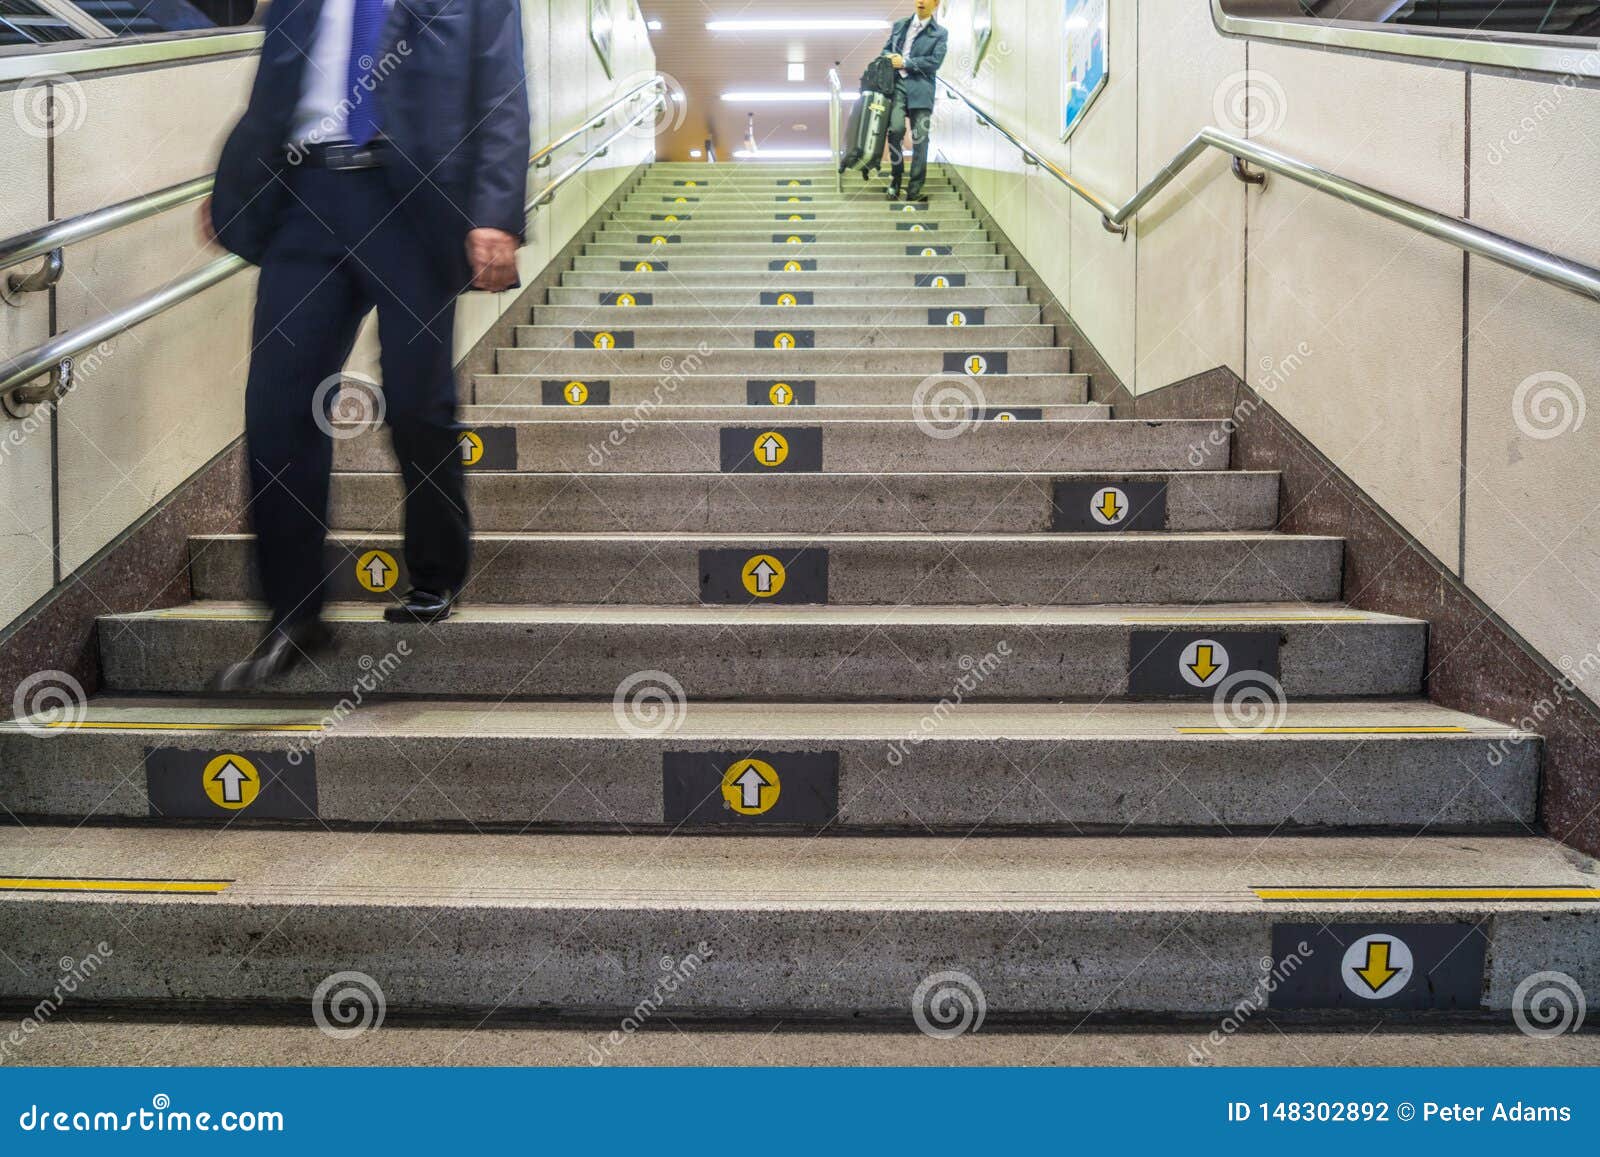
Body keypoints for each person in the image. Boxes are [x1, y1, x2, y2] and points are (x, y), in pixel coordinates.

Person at [203, 0, 531, 690]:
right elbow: (275, 81)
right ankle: (294, 615)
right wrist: (234, 180)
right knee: (276, 407)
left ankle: (436, 571)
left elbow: (501, 90)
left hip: (412, 200)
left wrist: (496, 213)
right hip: (306, 198)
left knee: (417, 401)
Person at [882, 0, 948, 203]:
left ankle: (914, 189)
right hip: (898, 87)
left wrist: (906, 62)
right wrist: (889, 56)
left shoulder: (940, 33)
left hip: (921, 89)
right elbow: (884, 52)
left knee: (920, 140)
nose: (921, 1)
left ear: (935, 4)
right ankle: (896, 179)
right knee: (895, 130)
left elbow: (934, 62)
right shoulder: (900, 24)